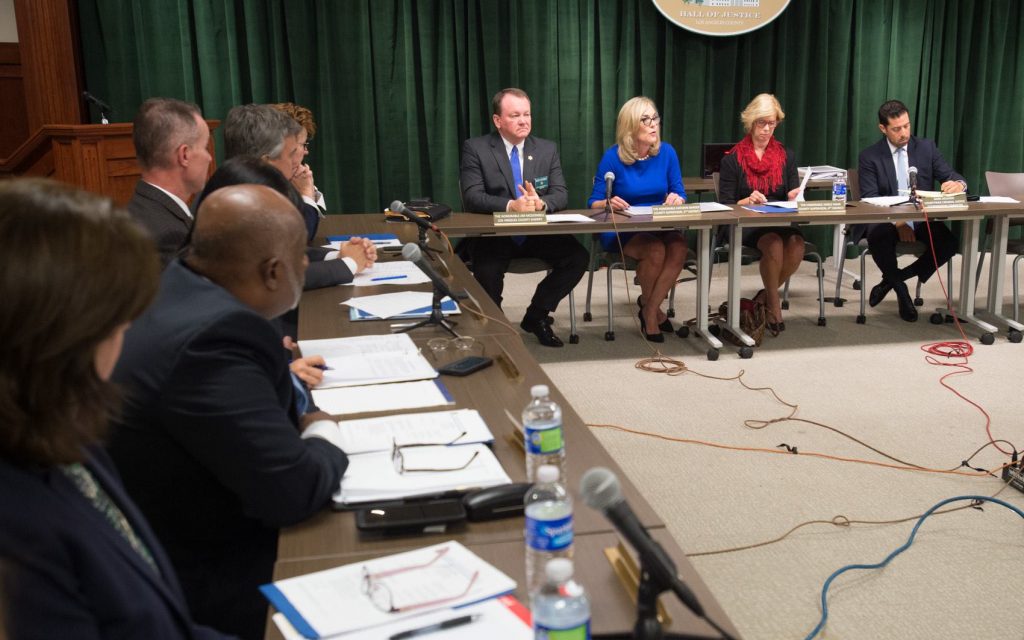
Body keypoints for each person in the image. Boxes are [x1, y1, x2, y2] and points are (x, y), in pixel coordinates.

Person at [107, 185, 349, 640]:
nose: (305, 265)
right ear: (273, 271)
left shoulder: (178, 285)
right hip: (211, 583)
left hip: (186, 528)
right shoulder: (215, 339)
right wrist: (324, 431)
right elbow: (293, 490)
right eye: (301, 257)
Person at [0, 179, 236, 639]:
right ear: (63, 338)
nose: (127, 334)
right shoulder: (20, 537)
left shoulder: (65, 433)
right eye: (119, 320)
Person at [460, 88, 589, 347]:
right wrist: (511, 205)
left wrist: (541, 203)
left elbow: (560, 194)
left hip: (536, 233)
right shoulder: (476, 148)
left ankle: (536, 316)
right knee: (486, 269)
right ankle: (497, 325)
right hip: (495, 234)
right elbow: (472, 196)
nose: (523, 121)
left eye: (527, 114)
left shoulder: (546, 149)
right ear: (498, 120)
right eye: (515, 115)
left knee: (577, 258)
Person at [587, 96, 688, 342]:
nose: (654, 125)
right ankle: (652, 315)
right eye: (645, 120)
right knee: (655, 250)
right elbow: (594, 202)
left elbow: (680, 191)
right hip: (624, 229)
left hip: (659, 223)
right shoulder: (613, 157)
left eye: (655, 118)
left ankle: (649, 308)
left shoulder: (667, 153)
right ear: (630, 126)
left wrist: (677, 198)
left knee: (679, 248)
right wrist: (608, 203)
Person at [857, 99, 963, 322]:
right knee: (879, 236)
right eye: (896, 129)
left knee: (949, 243)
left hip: (920, 218)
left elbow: (951, 175)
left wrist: (957, 184)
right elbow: (870, 198)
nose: (904, 133)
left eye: (906, 126)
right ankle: (902, 292)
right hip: (886, 220)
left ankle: (893, 280)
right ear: (883, 128)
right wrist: (899, 222)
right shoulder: (870, 156)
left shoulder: (926, 148)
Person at [718, 93, 805, 332]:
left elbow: (790, 193)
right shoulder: (733, 159)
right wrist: (747, 200)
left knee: (797, 245)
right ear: (751, 122)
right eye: (762, 123)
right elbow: (725, 204)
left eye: (772, 123)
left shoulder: (786, 156)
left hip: (779, 218)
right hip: (745, 222)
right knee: (774, 244)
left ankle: (763, 298)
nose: (767, 129)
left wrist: (793, 196)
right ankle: (774, 307)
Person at [127, 97, 213, 267]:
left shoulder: (136, 210)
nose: (209, 158)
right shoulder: (170, 238)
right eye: (205, 147)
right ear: (184, 155)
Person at [222, 103, 320, 242]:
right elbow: (294, 238)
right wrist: (305, 193)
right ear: (266, 161)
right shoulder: (249, 198)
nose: (306, 152)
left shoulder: (237, 181)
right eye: (290, 153)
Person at [269, 102, 327, 211]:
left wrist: (309, 190)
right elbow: (306, 221)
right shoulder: (259, 186)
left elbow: (319, 214)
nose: (306, 152)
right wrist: (306, 192)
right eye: (303, 144)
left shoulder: (294, 179)